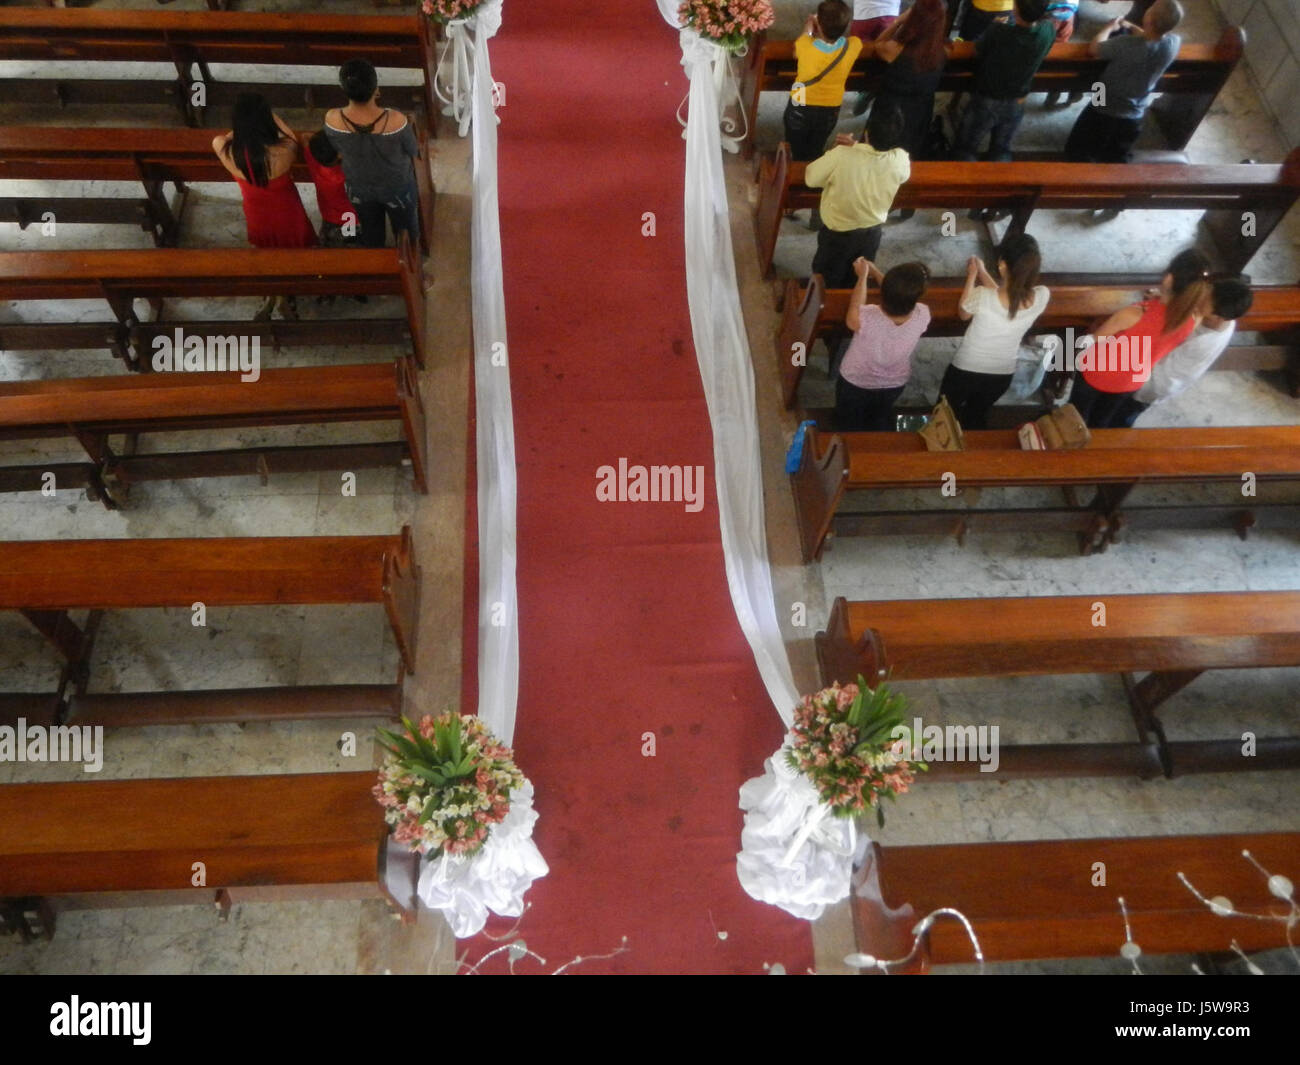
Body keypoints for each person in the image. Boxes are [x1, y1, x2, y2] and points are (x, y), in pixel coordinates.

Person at [1069, 247, 1211, 428]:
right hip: (1132, 381)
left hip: (1097, 374)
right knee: (1101, 422)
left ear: (1169, 278)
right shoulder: (1194, 319)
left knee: (1074, 418)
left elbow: (1094, 339)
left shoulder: (1134, 314)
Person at [212, 93, 317, 320]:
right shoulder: (283, 152)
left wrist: (243, 131)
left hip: (256, 211)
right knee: (294, 250)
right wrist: (271, 119)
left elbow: (226, 136)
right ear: (265, 122)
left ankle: (273, 290)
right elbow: (292, 137)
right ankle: (289, 293)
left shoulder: (224, 148)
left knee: (266, 248)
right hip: (287, 210)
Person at [940, 233, 1050, 429]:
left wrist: (973, 275)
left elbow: (964, 312)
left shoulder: (982, 296)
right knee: (977, 415)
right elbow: (1005, 295)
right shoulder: (1042, 295)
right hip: (1001, 375)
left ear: (1002, 265)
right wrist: (983, 272)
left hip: (965, 370)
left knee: (945, 414)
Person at [1114, 277, 1254, 426]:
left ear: (1217, 316)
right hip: (1145, 371)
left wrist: (1124, 378)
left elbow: (1163, 373)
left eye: (1203, 301)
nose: (1198, 300)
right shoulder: (1224, 316)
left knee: (1117, 418)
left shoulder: (1203, 343)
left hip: (1149, 385)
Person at [805, 101, 910, 288]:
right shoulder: (900, 159)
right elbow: (886, 166)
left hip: (838, 236)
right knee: (857, 278)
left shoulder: (842, 155)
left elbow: (811, 178)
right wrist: (856, 147)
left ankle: (821, 310)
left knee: (826, 279)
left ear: (866, 133)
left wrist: (846, 150)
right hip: (871, 234)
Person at [1064, 0, 1182, 163]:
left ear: (1149, 19)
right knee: (1115, 155)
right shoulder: (1173, 43)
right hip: (1136, 110)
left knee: (1096, 87)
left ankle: (1078, 97)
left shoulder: (1126, 44)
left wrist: (1109, 27)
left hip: (1104, 102)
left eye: (1152, 8)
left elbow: (1095, 48)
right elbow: (1151, 37)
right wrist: (1132, 27)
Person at [324, 58, 422, 250]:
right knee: (406, 230)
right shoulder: (396, 120)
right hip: (397, 187)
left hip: (359, 186)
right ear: (376, 89)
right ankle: (414, 269)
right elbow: (413, 150)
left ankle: (377, 262)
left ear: (345, 90)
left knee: (371, 233)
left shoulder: (332, 118)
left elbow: (335, 146)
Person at [836, 257, 932, 431]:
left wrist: (863, 277)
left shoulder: (868, 315)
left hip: (856, 380)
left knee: (847, 420)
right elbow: (898, 295)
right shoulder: (923, 314)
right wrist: (876, 272)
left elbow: (855, 305)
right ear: (918, 296)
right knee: (878, 416)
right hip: (894, 383)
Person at [953, 0, 1055, 163]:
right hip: (1017, 99)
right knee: (1001, 149)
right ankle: (998, 180)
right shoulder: (1048, 30)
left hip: (987, 97)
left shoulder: (999, 31)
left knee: (966, 147)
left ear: (1016, 9)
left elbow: (977, 51)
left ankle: (960, 178)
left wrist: (993, 26)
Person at [871, 0, 950, 160]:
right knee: (910, 147)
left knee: (880, 146)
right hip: (920, 110)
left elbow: (878, 43)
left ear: (914, 19)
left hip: (890, 107)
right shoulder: (945, 50)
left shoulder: (895, 49)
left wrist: (898, 21)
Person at [785, 2, 863, 162]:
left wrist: (809, 27)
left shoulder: (805, 46)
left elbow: (799, 46)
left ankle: (794, 164)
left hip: (800, 98)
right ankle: (811, 167)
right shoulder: (853, 45)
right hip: (831, 105)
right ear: (847, 25)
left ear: (818, 23)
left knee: (794, 141)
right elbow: (851, 40)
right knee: (816, 144)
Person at [300, 129, 358, 247]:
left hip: (329, 215)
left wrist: (320, 142)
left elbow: (305, 136)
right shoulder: (343, 175)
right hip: (350, 218)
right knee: (351, 246)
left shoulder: (313, 159)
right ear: (339, 155)